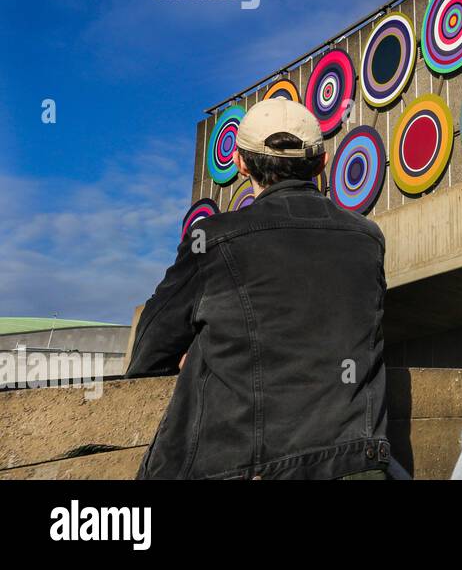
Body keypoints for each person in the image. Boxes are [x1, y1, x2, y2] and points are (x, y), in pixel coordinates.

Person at [126, 98, 393, 480]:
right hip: (357, 464)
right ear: (322, 163)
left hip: (247, 468)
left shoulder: (212, 239)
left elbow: (150, 351)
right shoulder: (367, 238)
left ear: (240, 163)